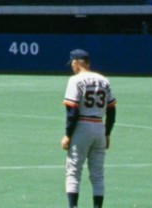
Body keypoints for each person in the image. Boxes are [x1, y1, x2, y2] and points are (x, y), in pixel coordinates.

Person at [61, 48, 116, 208]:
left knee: (73, 171)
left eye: (72, 62)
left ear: (77, 62)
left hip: (82, 128)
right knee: (98, 175)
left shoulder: (75, 80)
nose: (71, 66)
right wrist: (107, 133)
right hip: (99, 126)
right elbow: (112, 110)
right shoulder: (104, 80)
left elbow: (72, 111)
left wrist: (67, 135)